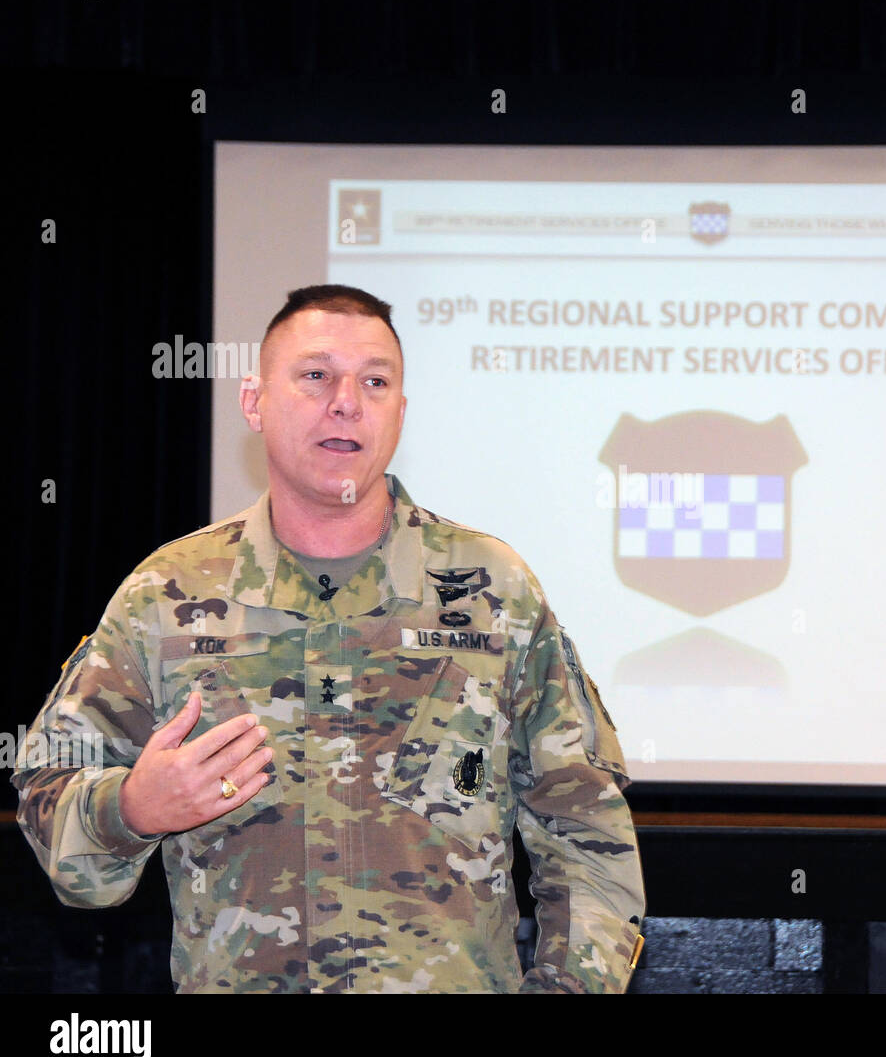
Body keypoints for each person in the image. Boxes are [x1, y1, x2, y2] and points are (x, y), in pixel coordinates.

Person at [13, 284, 646, 993]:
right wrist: (130, 807)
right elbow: (50, 803)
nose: (346, 401)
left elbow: (587, 832)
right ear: (253, 401)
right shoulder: (168, 596)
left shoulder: (492, 591)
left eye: (375, 382)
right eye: (315, 376)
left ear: (399, 415)